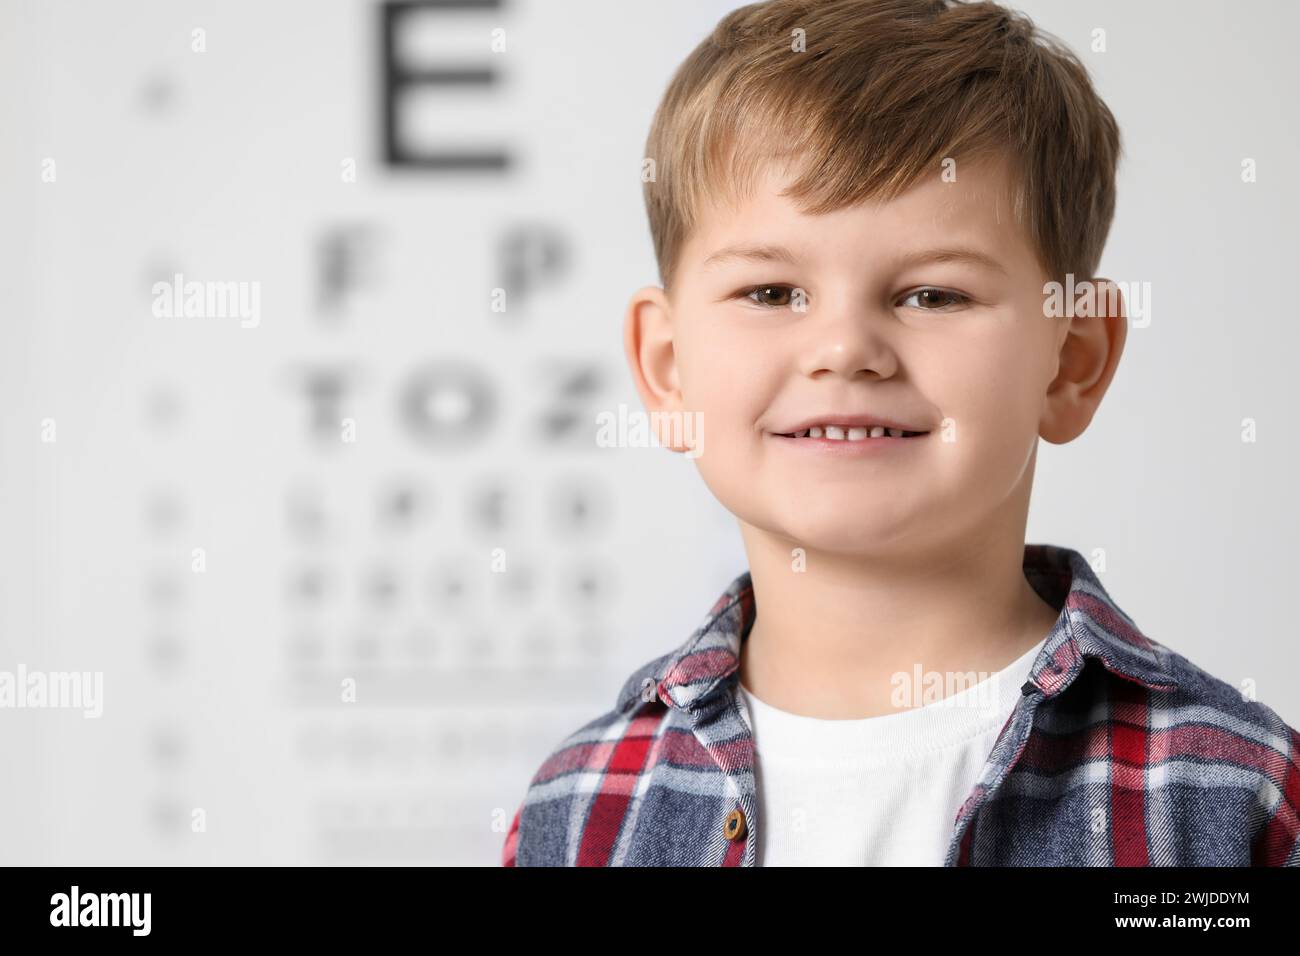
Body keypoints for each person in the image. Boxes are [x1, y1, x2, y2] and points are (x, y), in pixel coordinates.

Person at [501, 0, 1300, 866]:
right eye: (772, 293)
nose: (845, 349)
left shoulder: (1233, 800)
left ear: (1070, 360)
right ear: (666, 368)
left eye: (933, 295)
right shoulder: (575, 812)